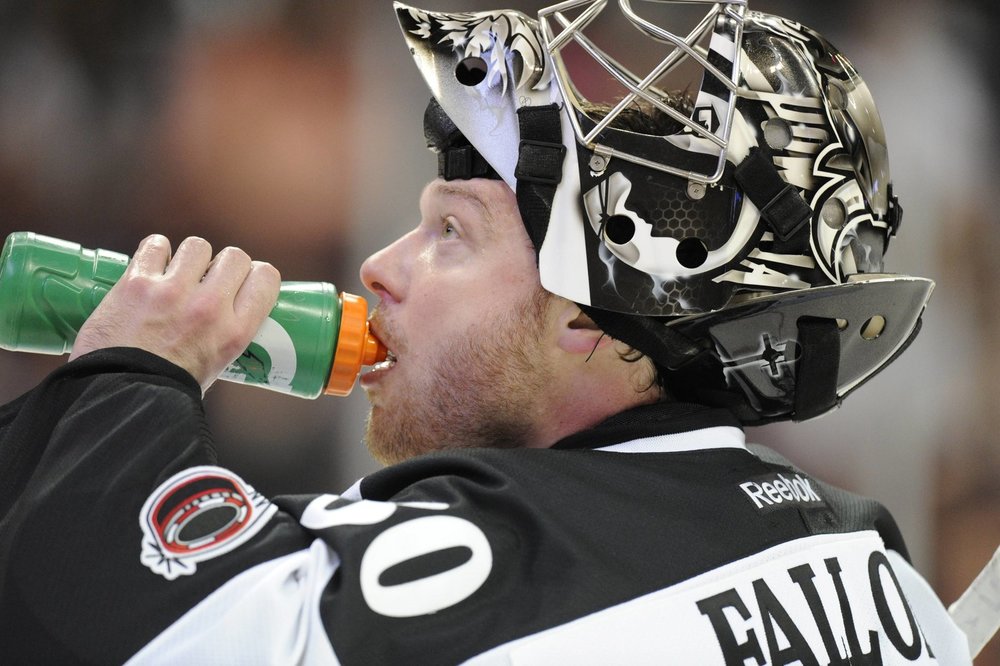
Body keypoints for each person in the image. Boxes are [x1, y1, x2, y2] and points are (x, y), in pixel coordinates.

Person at [0, 1, 975, 663]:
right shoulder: (875, 562)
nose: (380, 268)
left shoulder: (509, 561)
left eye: (449, 234)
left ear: (592, 317)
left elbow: (119, 625)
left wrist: (132, 372)